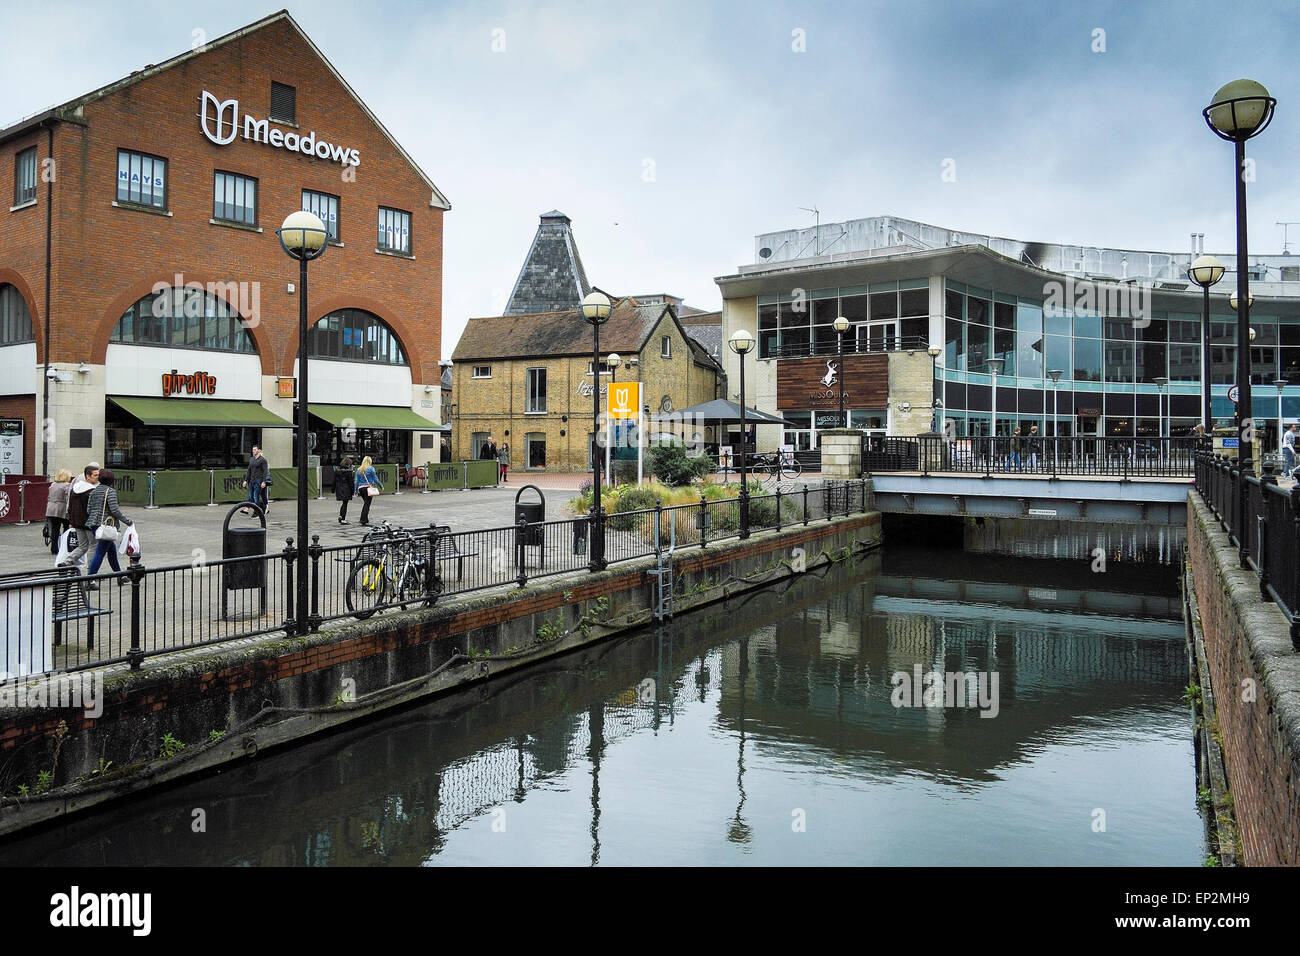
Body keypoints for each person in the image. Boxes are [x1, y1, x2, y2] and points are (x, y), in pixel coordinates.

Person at [85, 469, 133, 586]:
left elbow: (88, 510)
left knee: (111, 551)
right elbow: (115, 510)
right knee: (100, 552)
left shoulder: (94, 491)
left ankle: (119, 576)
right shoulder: (110, 491)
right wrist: (127, 521)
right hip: (106, 525)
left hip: (94, 524)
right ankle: (89, 580)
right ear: (111, 480)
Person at [62, 463, 100, 569]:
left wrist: (70, 521)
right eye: (95, 475)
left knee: (83, 546)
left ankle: (68, 561)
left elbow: (71, 506)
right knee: (93, 546)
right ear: (87, 476)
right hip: (88, 523)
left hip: (77, 522)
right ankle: (91, 570)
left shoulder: (75, 489)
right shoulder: (91, 491)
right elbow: (93, 509)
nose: (98, 478)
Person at [44, 468, 72, 555]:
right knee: (66, 527)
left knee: (55, 528)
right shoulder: (67, 485)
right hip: (62, 508)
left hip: (51, 508)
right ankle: (64, 547)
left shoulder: (53, 484)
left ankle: (54, 548)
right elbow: (68, 499)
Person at [354, 455, 383, 526]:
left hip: (361, 488)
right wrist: (381, 485)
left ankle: (365, 518)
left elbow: (356, 481)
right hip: (368, 488)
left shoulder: (359, 469)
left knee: (366, 503)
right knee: (367, 504)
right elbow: (375, 478)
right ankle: (363, 519)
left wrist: (355, 490)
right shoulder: (371, 468)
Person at [241, 445, 269, 514]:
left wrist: (264, 482)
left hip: (259, 480)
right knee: (251, 496)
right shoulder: (251, 459)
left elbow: (265, 471)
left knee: (256, 496)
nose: (253, 451)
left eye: (255, 449)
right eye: (253, 449)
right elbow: (249, 470)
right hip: (251, 480)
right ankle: (261, 508)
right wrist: (245, 480)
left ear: (259, 450)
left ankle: (258, 511)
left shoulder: (263, 460)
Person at [335, 457, 355, 524]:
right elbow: (351, 483)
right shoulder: (349, 472)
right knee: (345, 504)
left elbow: (334, 481)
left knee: (344, 503)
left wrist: (333, 489)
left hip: (339, 489)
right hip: (346, 489)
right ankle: (342, 518)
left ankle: (341, 516)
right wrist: (352, 491)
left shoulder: (337, 471)